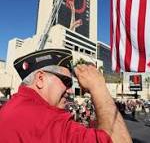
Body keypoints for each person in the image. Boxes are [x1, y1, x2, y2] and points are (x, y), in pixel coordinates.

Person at [0, 49, 132, 143]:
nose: (70, 91)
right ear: (40, 79)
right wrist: (98, 87)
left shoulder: (11, 109)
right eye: (67, 81)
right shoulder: (47, 123)